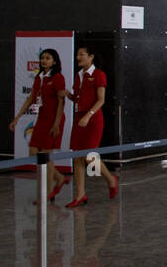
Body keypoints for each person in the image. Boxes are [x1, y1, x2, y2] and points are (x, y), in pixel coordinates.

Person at [9, 47, 68, 203]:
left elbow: (62, 101)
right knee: (33, 152)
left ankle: (47, 192)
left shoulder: (57, 77)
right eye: (42, 58)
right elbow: (30, 99)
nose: (44, 60)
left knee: (46, 156)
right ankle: (60, 177)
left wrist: (56, 124)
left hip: (53, 119)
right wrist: (17, 118)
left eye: (47, 58)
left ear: (54, 61)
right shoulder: (39, 77)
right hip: (41, 119)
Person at [63, 44, 119, 207]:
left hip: (93, 119)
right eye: (78, 54)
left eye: (82, 54)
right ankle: (80, 194)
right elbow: (80, 98)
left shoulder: (99, 75)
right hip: (79, 119)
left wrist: (88, 116)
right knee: (77, 157)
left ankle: (110, 179)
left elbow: (100, 100)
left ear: (91, 56)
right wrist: (70, 96)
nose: (78, 57)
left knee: (89, 156)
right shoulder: (78, 75)